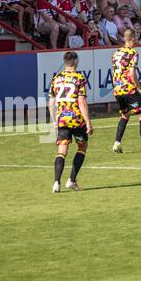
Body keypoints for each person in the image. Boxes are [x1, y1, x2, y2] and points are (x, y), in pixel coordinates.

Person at [49, 50, 92, 193]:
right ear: (75, 61)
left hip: (62, 119)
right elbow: (82, 101)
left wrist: (54, 121)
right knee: (82, 147)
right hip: (76, 119)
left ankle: (56, 183)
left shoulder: (56, 78)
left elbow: (51, 102)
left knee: (62, 151)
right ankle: (72, 180)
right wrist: (88, 122)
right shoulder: (79, 77)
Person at [110, 27, 141, 155]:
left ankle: (117, 143)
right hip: (128, 88)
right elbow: (132, 73)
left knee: (125, 115)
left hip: (118, 89)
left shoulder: (116, 53)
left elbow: (113, 72)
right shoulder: (133, 53)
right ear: (133, 38)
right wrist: (138, 87)